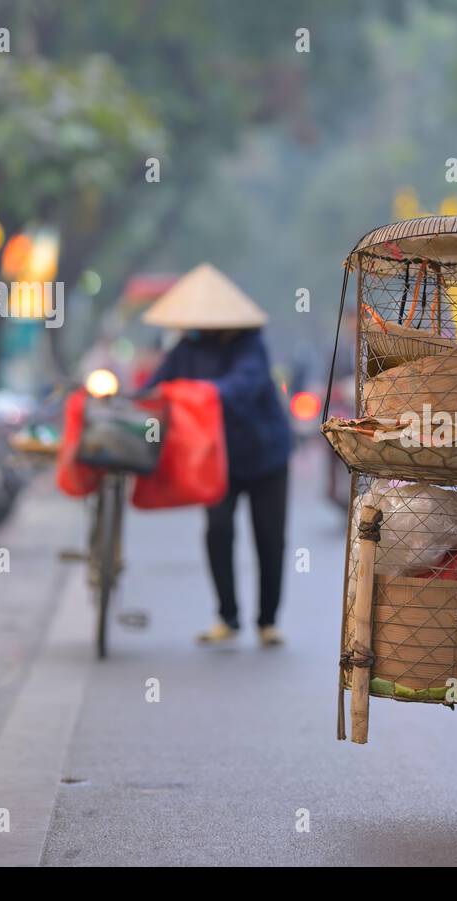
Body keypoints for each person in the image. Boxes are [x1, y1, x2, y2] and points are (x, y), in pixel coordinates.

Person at [143, 263, 292, 647]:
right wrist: (129, 400)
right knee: (218, 530)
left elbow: (241, 386)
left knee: (269, 537)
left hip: (266, 455)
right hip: (216, 459)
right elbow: (155, 387)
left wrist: (197, 393)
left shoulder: (251, 345)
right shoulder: (186, 348)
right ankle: (227, 617)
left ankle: (267, 621)